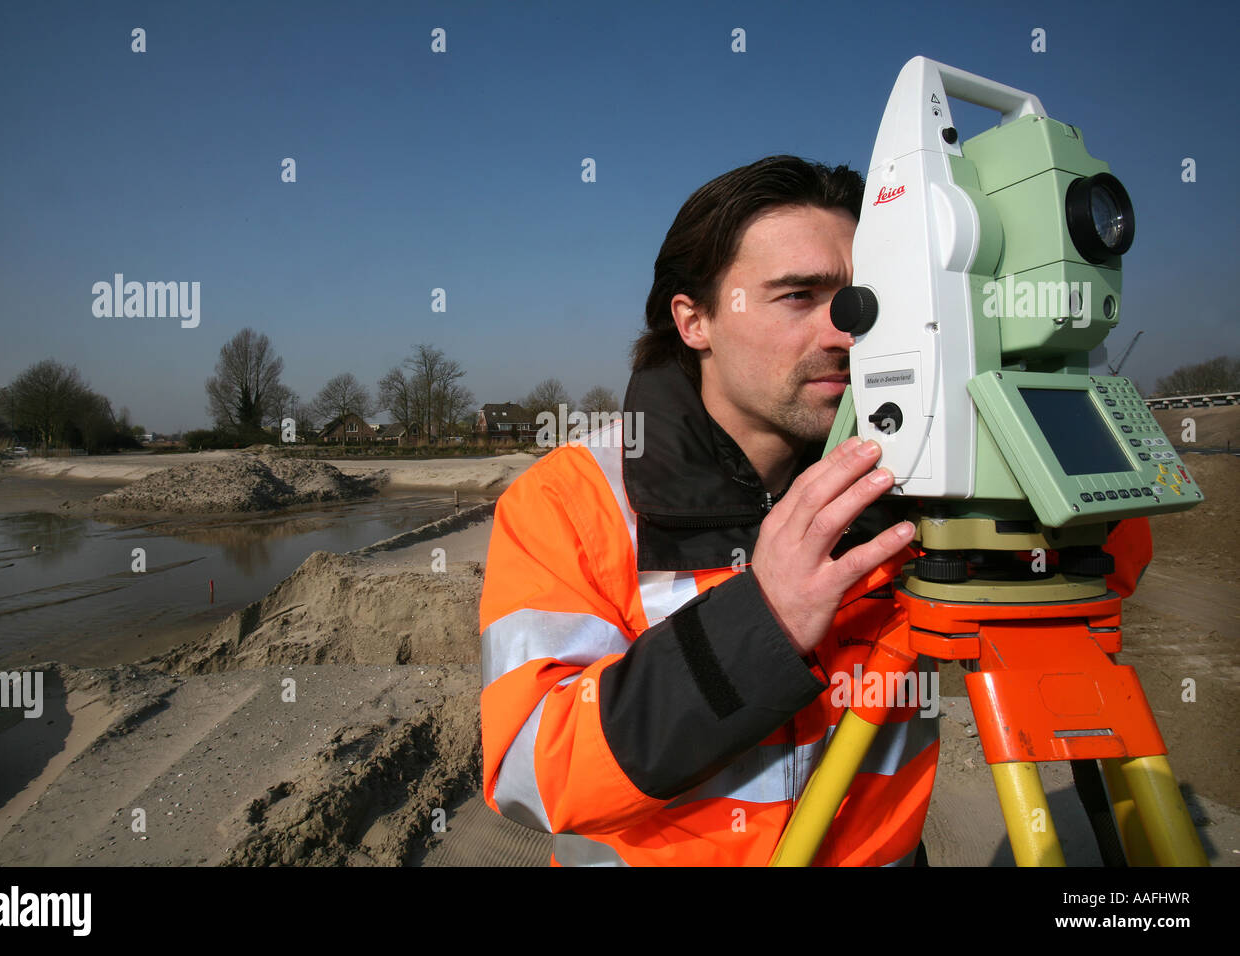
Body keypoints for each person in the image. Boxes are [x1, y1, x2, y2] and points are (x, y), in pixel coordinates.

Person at [478, 155, 1150, 866]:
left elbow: (1115, 564)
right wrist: (758, 623)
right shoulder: (572, 501)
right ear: (695, 319)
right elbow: (528, 770)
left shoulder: (918, 472)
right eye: (799, 295)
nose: (845, 331)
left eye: (862, 297)